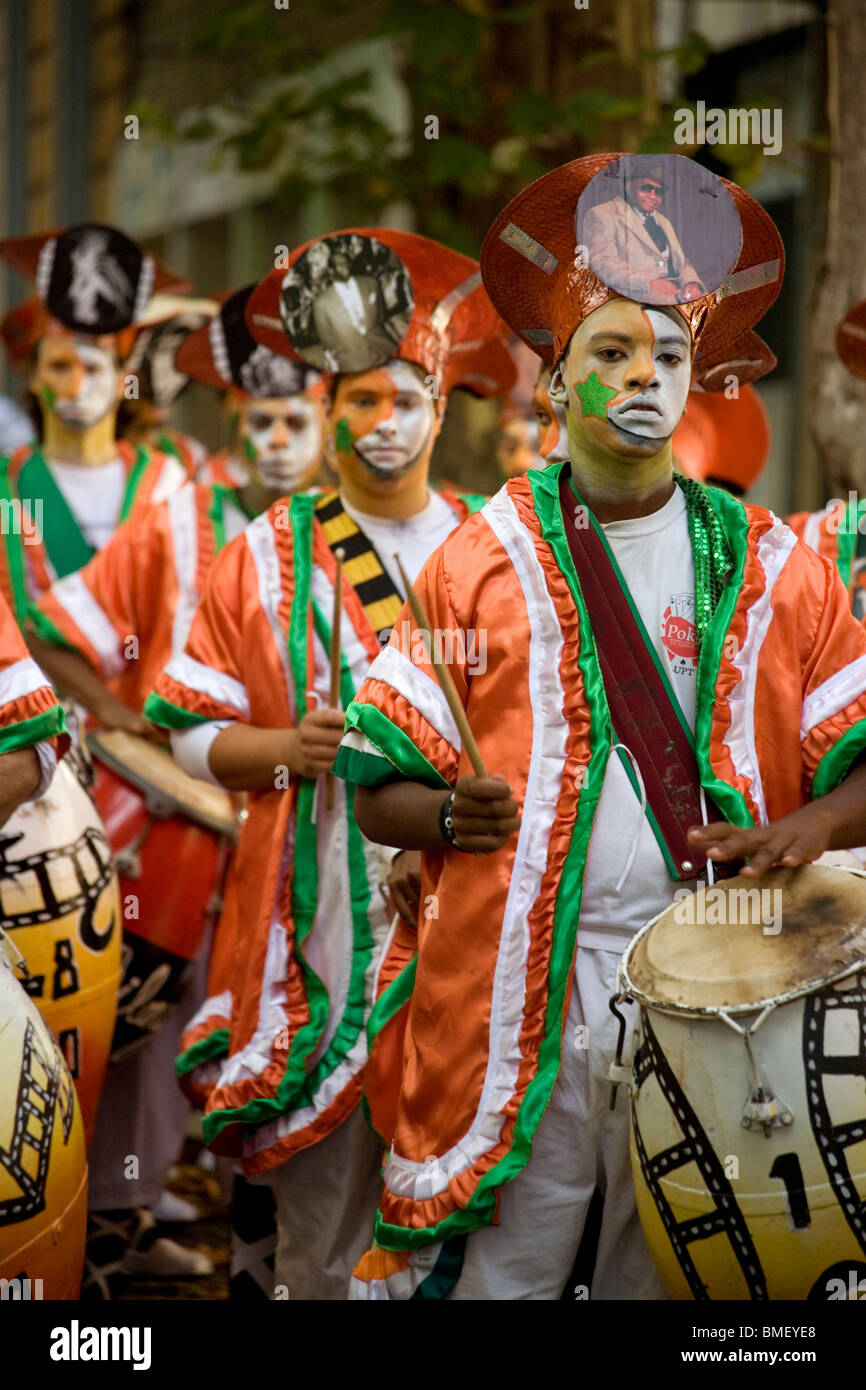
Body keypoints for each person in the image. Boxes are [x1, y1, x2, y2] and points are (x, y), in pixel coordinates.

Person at [335, 154, 866, 1301]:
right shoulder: (473, 565)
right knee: (507, 1272)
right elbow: (372, 779)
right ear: (552, 385)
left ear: (696, 380)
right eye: (609, 353)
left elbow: (860, 762)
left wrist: (809, 822)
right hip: (527, 990)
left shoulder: (779, 569)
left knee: (666, 1268)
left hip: (721, 983)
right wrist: (440, 810)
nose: (642, 377)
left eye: (667, 355)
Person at [144, 227, 499, 1299]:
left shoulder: (494, 548)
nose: (383, 423)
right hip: (309, 920)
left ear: (441, 408)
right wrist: (281, 749)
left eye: (404, 398)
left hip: (461, 916)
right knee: (319, 1209)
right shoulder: (262, 552)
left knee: (445, 1192)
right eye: (359, 402)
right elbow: (190, 730)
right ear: (329, 412)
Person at [25, 283, 327, 1294]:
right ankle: (98, 1235)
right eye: (260, 420)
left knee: (286, 1039)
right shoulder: (179, 516)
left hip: (324, 841)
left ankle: (257, 1252)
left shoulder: (359, 535)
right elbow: (63, 627)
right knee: (133, 1036)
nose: (278, 439)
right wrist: (123, 735)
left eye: (299, 417)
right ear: (234, 420)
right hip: (186, 824)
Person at [0, 224, 192, 623]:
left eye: (93, 368)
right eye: (58, 366)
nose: (76, 387)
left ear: (125, 381)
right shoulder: (6, 486)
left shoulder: (166, 485)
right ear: (33, 377)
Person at [581, 163, 704, 305]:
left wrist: (692, 283)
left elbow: (681, 262)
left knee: (709, 301)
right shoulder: (603, 214)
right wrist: (650, 282)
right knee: (670, 305)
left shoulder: (663, 221)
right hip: (630, 290)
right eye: (646, 188)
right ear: (629, 186)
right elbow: (602, 264)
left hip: (673, 289)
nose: (653, 196)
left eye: (659, 192)